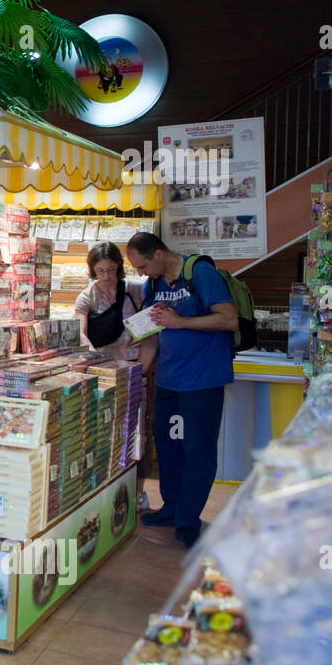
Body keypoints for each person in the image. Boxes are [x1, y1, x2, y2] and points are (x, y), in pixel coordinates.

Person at [125, 232, 238, 548]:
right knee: (170, 448)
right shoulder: (154, 285)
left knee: (197, 451)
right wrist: (136, 375)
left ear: (159, 254)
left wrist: (181, 322)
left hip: (202, 382)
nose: (140, 273)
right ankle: (172, 509)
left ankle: (189, 520)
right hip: (169, 383)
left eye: (143, 265)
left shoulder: (200, 272)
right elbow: (151, 336)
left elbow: (228, 320)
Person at [75, 242, 152, 511]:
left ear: (119, 266)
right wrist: (94, 355)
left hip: (134, 367)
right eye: (100, 271)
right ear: (92, 270)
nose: (107, 276)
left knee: (136, 431)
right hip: (104, 372)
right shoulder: (88, 296)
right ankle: (104, 494)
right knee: (106, 431)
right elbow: (81, 332)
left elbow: (149, 323)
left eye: (111, 269)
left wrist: (143, 358)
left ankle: (138, 493)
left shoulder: (133, 289)